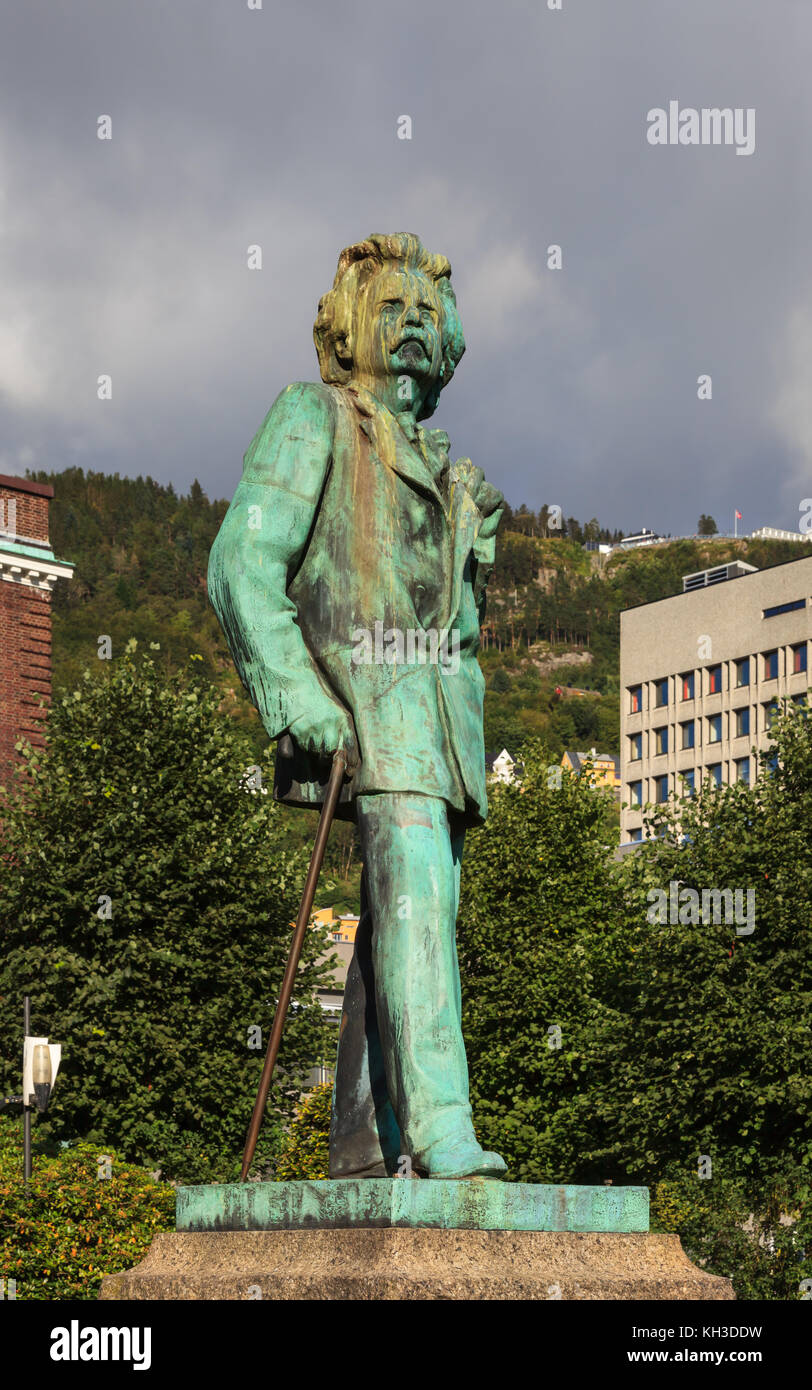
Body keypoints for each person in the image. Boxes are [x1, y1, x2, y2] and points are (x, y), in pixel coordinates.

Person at [208, 233, 506, 1179]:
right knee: (416, 905)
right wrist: (296, 692)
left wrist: (470, 551)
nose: (416, 326)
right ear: (347, 329)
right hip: (367, 699)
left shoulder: (438, 461)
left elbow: (450, 626)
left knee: (400, 923)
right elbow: (241, 562)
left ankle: (361, 1147)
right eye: (393, 310)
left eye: (430, 313)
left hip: (437, 721)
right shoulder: (314, 416)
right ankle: (441, 1130)